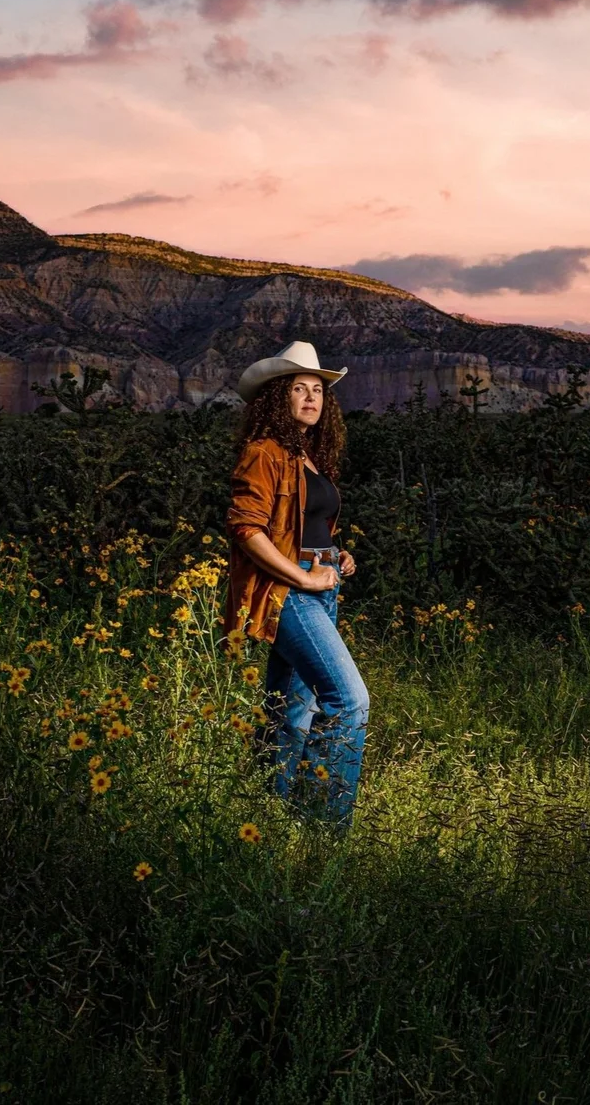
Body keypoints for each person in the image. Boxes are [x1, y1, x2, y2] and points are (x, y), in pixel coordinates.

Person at [225, 341, 368, 824]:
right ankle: (320, 827)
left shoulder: (308, 457)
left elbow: (304, 526)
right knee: (348, 701)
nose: (311, 397)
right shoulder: (263, 452)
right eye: (299, 389)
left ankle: (265, 818)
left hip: (320, 582)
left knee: (290, 714)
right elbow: (247, 530)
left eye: (318, 390)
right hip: (289, 591)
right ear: (277, 398)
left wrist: (335, 553)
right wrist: (302, 578)